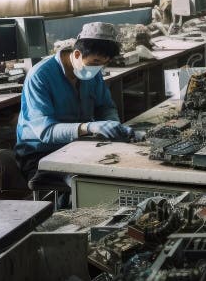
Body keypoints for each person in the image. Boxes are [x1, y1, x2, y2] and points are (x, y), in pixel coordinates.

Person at [16, 22, 134, 181]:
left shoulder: (92, 72)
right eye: (95, 62)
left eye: (103, 63)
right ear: (77, 54)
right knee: (87, 183)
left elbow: (105, 106)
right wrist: (89, 126)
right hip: (40, 153)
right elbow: (46, 131)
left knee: (123, 168)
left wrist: (113, 126)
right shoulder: (40, 76)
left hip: (78, 146)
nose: (99, 68)